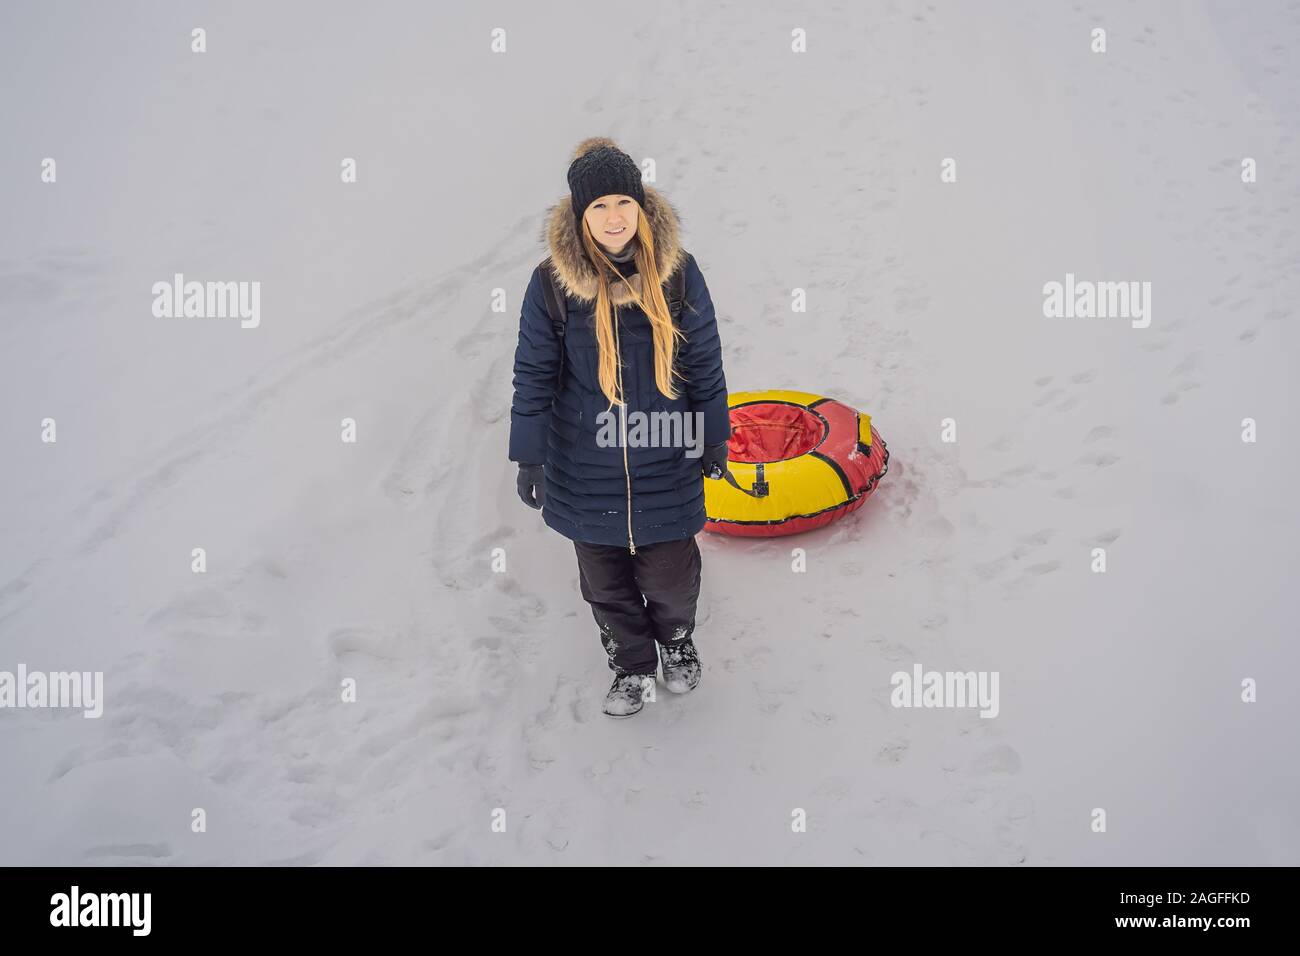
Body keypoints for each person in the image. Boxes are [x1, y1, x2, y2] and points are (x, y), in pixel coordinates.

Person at [508, 137, 731, 718]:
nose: (614, 218)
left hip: (667, 456)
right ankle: (630, 665)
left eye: (623, 204)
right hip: (583, 465)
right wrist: (529, 456)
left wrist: (712, 434)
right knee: (605, 586)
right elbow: (533, 372)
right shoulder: (553, 285)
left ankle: (676, 642)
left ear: (641, 205)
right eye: (599, 207)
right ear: (581, 216)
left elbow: (703, 358)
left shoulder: (676, 275)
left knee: (672, 578)